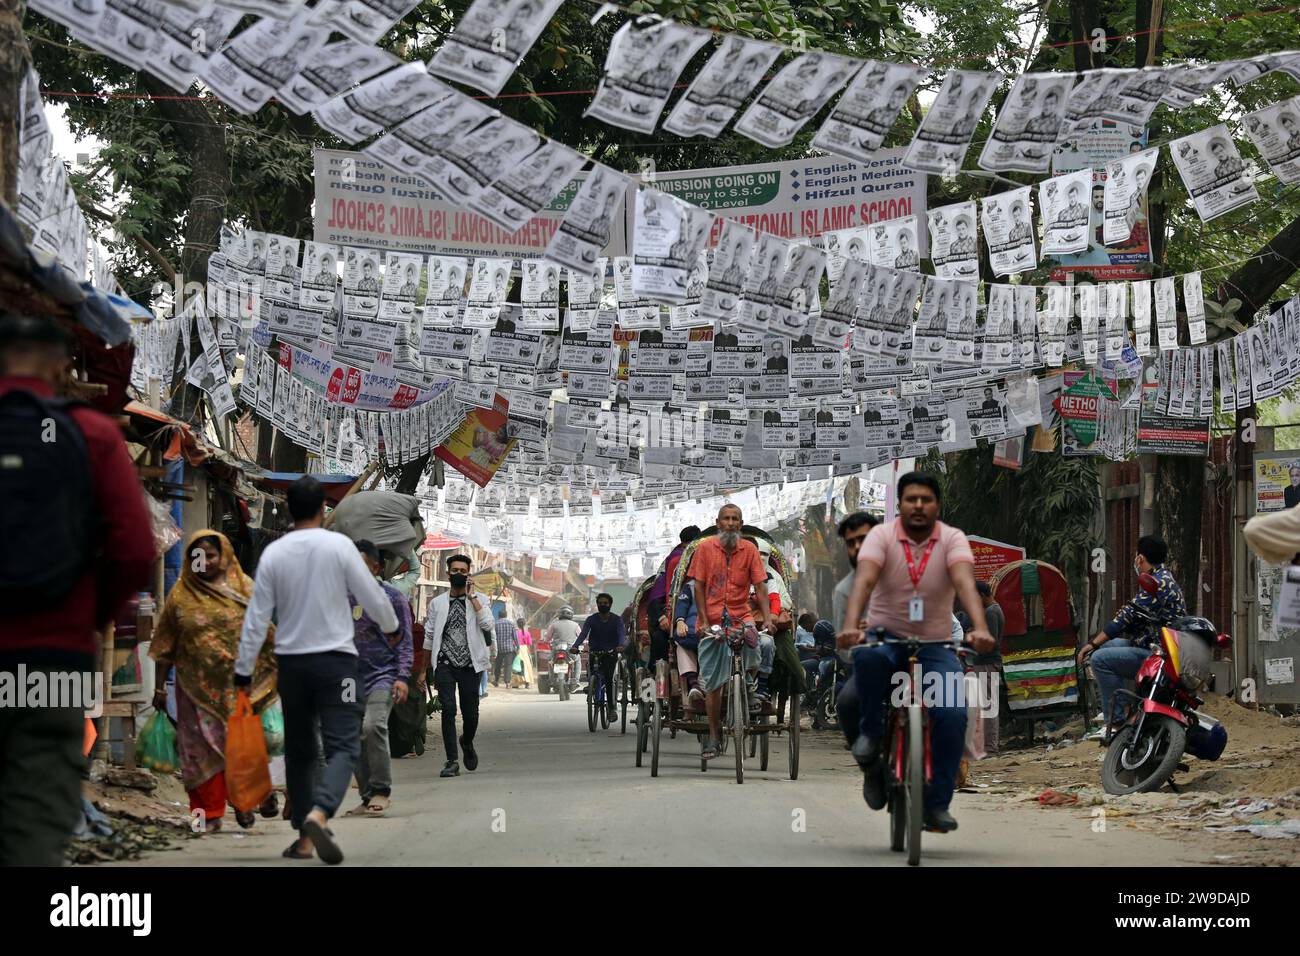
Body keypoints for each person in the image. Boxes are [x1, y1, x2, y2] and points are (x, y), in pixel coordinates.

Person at [0, 314, 155, 866]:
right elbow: (135, 549)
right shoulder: (88, 433)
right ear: (59, 363)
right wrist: (89, 619)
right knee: (35, 814)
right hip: (52, 660)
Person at [236, 476, 400, 865]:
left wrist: (242, 671)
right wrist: (391, 628)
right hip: (338, 666)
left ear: (289, 509)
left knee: (301, 751)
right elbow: (371, 595)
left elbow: (256, 618)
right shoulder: (340, 547)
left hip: (292, 667)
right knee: (343, 743)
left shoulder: (275, 554)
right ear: (324, 509)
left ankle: (305, 841)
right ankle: (320, 811)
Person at [837, 472, 995, 833]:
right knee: (860, 674)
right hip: (885, 637)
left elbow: (964, 583)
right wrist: (851, 623)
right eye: (911, 499)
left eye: (926, 499)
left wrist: (980, 627)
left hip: (935, 645)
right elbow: (863, 579)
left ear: (936, 505)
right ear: (901, 505)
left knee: (955, 713)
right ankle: (872, 751)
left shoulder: (951, 540)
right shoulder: (881, 538)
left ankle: (937, 804)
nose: (918, 506)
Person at [151, 530, 279, 833]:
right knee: (196, 756)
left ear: (225, 556)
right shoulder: (180, 594)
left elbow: (267, 636)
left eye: (211, 554)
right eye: (198, 555)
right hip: (193, 691)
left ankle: (244, 803)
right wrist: (159, 687)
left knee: (237, 750)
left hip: (237, 688)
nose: (204, 561)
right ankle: (203, 818)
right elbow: (165, 644)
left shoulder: (245, 589)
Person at [1077, 536, 1186, 737]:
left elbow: (1124, 619)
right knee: (1106, 648)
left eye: (1137, 556)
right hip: (1150, 644)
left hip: (1158, 656)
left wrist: (1091, 644)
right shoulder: (1161, 578)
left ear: (1140, 558)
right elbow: (1135, 614)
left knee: (1099, 658)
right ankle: (1119, 705)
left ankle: (1117, 721)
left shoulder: (1158, 582)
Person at [689, 504, 773, 760]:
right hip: (712, 619)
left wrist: (768, 619)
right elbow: (699, 587)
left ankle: (748, 685)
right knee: (713, 685)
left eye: (735, 518)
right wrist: (703, 620)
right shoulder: (704, 549)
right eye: (726, 518)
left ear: (741, 523)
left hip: (741, 616)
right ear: (718, 523)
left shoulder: (749, 550)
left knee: (760, 643)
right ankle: (714, 737)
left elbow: (759, 587)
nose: (731, 522)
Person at [343, 540, 412, 818]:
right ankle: (366, 795)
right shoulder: (342, 598)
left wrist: (403, 677)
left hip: (383, 676)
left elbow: (405, 641)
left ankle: (382, 790)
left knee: (373, 727)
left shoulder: (393, 598)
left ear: (376, 567)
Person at [418, 554, 495, 777]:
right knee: (448, 709)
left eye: (463, 570)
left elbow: (488, 624)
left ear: (469, 574)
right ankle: (451, 760)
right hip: (444, 663)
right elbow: (429, 638)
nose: (459, 574)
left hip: (471, 664)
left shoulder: (480, 599)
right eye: (455, 570)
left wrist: (473, 599)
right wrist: (423, 670)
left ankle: (467, 741)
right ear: (448, 573)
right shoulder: (437, 604)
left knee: (471, 715)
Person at [572, 593, 627, 723]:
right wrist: (575, 646)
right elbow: (583, 634)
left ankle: (612, 708)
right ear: (597, 605)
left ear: (610, 605)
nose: (602, 605)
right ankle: (592, 687)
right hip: (595, 651)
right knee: (592, 673)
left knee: (608, 679)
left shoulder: (616, 620)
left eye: (605, 603)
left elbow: (621, 634)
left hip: (610, 652)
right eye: (600, 603)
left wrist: (620, 645)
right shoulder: (591, 619)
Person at [648, 526, 699, 664]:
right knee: (661, 638)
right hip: (673, 614)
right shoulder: (675, 560)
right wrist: (662, 616)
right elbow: (656, 595)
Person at [969, 581, 1004, 758]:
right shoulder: (991, 610)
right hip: (985, 662)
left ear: (982, 595)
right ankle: (987, 745)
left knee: (988, 705)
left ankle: (990, 747)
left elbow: (990, 642)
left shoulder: (991, 612)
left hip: (987, 662)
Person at [545, 605, 583, 688]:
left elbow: (548, 638)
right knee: (577, 660)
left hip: (556, 649)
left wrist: (548, 641)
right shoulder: (575, 625)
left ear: (559, 614)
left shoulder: (553, 625)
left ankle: (551, 678)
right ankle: (576, 680)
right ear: (571, 614)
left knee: (550, 661)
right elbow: (581, 637)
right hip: (570, 649)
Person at [492, 606, 520, 687]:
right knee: (508, 665)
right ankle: (507, 683)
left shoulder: (495, 624)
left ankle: (496, 681)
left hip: (499, 648)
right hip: (509, 648)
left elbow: (493, 637)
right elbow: (515, 637)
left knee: (498, 665)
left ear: (499, 616)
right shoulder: (511, 624)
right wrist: (518, 647)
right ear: (506, 615)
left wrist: (492, 649)